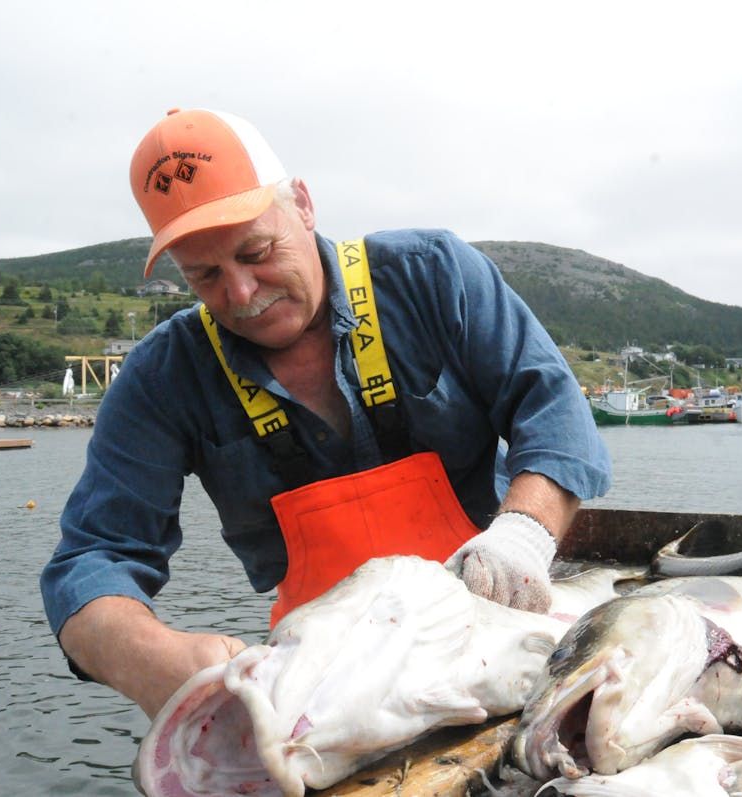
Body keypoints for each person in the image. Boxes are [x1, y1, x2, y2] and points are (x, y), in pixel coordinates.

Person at [40, 108, 611, 718]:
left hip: (496, 625)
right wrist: (152, 659)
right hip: (334, 683)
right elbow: (92, 559)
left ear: (304, 206)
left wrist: (523, 535)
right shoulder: (164, 376)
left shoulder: (434, 276)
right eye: (204, 275)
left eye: (256, 251)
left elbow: (555, 409)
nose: (240, 293)